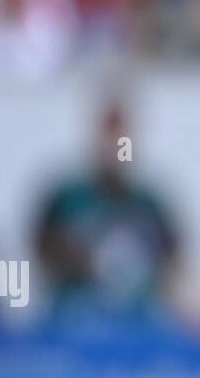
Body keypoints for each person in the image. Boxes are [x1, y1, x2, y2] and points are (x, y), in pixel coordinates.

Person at [34, 99, 181, 323]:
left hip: (137, 329)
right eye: (109, 136)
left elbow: (176, 266)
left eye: (123, 139)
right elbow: (41, 257)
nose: (116, 146)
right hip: (75, 324)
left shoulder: (150, 204)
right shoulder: (65, 200)